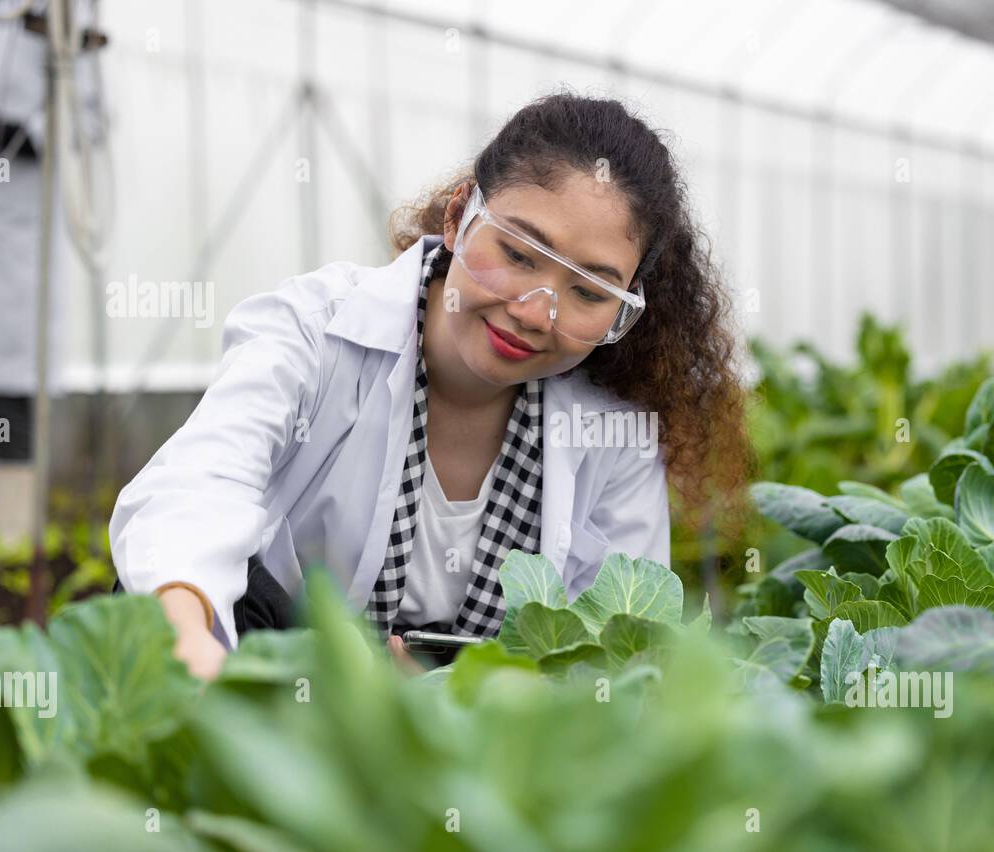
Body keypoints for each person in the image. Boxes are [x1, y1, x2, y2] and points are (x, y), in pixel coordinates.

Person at [109, 91, 753, 680]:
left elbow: (620, 651)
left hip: (477, 750)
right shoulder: (314, 330)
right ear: (457, 220)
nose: (534, 311)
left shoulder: (613, 431)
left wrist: (451, 702)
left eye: (587, 291)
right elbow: (199, 484)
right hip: (277, 696)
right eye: (519, 254)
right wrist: (189, 639)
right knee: (156, 597)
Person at [0, 0, 105, 542]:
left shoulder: (65, 11)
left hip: (6, 228)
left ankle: (12, 545)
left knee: (8, 397)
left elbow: (86, 123)